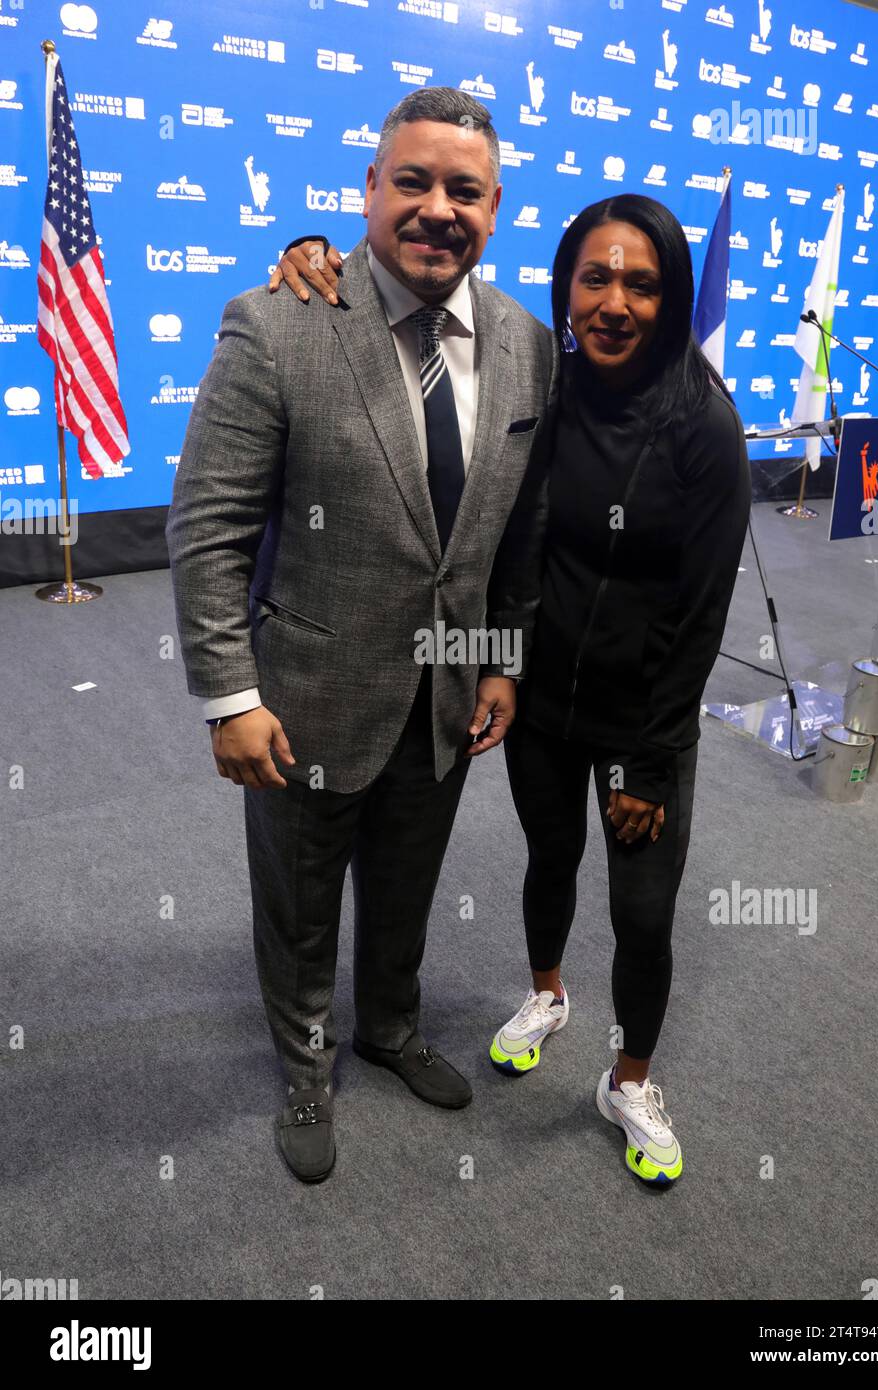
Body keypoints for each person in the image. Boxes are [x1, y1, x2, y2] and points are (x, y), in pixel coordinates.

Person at [271, 192, 751, 1186]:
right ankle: (545, 994)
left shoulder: (705, 427)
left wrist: (651, 763)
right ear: (563, 285)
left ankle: (628, 1079)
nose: (613, 302)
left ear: (668, 301)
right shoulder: (545, 384)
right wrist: (307, 254)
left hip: (640, 724)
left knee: (644, 914)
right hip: (537, 703)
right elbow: (504, 546)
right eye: (594, 277)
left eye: (641, 284)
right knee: (548, 860)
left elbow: (698, 615)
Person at [166, 87, 557, 1184]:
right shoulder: (279, 321)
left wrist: (497, 660)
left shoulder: (527, 344)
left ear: (494, 207)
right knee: (297, 899)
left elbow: (517, 530)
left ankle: (387, 1025)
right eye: (414, 182)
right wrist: (230, 696)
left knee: (406, 881)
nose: (438, 208)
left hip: (442, 696)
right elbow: (207, 529)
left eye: (464, 190)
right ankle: (304, 1059)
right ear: (369, 191)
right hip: (303, 697)